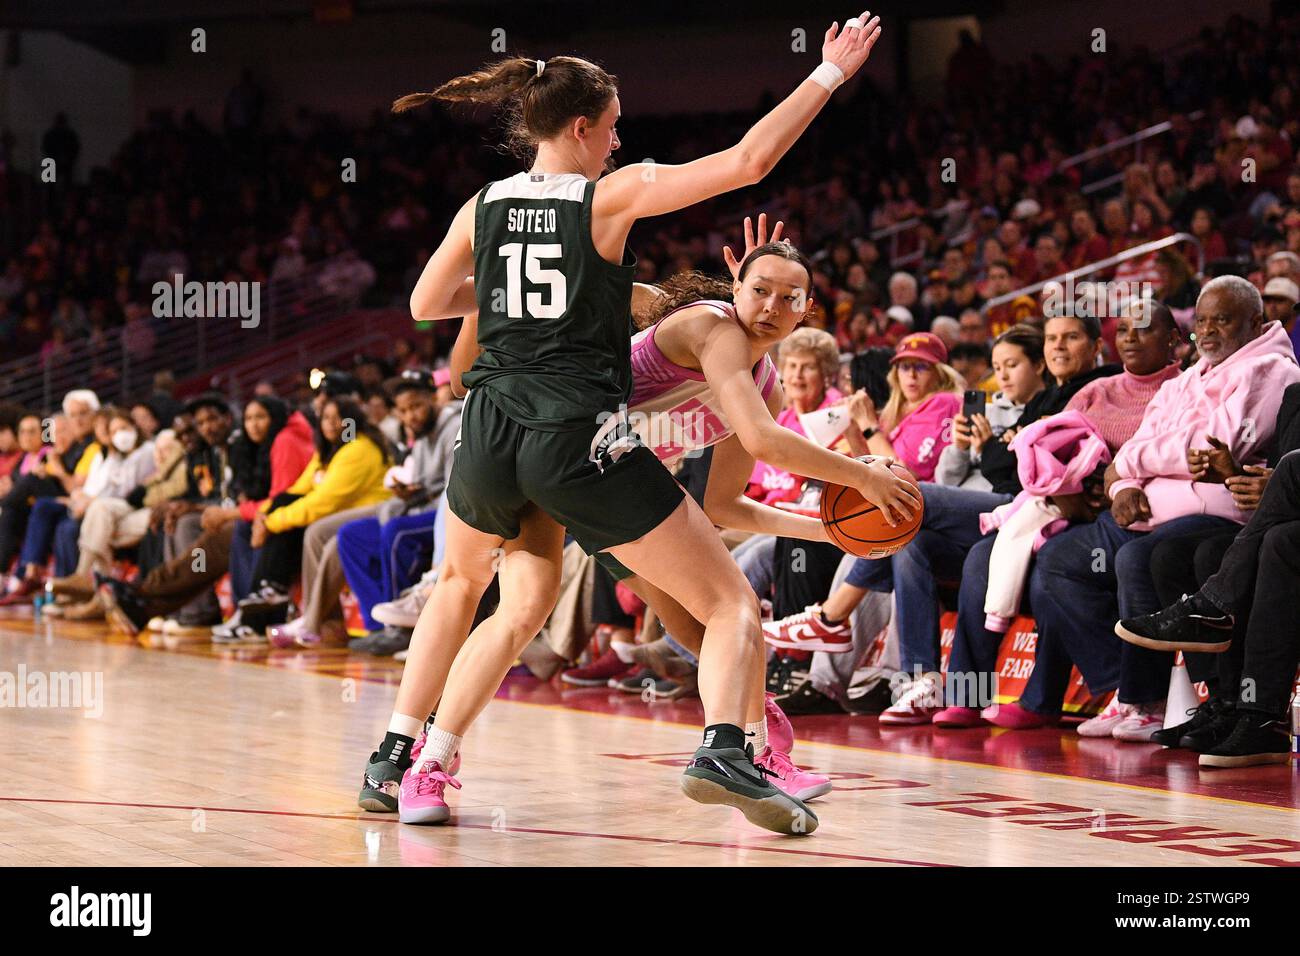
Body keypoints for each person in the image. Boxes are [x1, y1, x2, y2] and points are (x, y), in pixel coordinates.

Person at [360, 18, 914, 837]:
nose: (618, 143)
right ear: (582, 127)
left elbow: (425, 304)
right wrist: (829, 73)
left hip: (489, 427)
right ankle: (729, 751)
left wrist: (540, 291)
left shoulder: (484, 203)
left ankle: (407, 761)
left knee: (500, 595)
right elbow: (748, 162)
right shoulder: (608, 198)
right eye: (614, 128)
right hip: (574, 437)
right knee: (727, 604)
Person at [992, 277, 1300, 735]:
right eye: (1202, 320)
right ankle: (1137, 689)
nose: (1208, 330)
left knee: (1144, 558)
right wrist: (1122, 484)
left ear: (1255, 322)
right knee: (1054, 562)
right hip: (1145, 509)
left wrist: (1129, 466)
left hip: (1214, 512)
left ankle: (1147, 697)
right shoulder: (1194, 373)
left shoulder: (1270, 369)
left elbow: (1209, 447)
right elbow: (1142, 442)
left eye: (1222, 319)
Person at [97, 396, 316, 645]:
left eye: (260, 417)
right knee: (187, 527)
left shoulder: (281, 441)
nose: (254, 425)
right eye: (249, 418)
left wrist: (228, 512)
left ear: (228, 419)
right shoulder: (236, 446)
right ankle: (149, 605)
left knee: (209, 545)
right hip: (252, 518)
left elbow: (280, 500)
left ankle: (154, 597)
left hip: (274, 524)